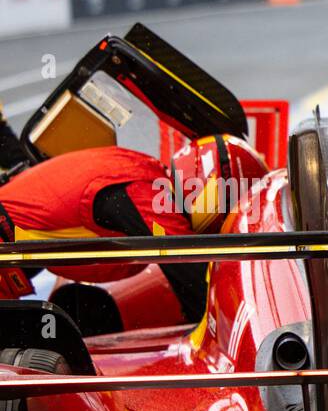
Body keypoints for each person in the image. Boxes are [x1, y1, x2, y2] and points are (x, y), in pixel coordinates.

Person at [0, 135, 265, 321]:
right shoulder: (148, 197)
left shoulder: (141, 171)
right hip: (7, 253)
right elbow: (201, 293)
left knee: (83, 316)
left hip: (12, 252)